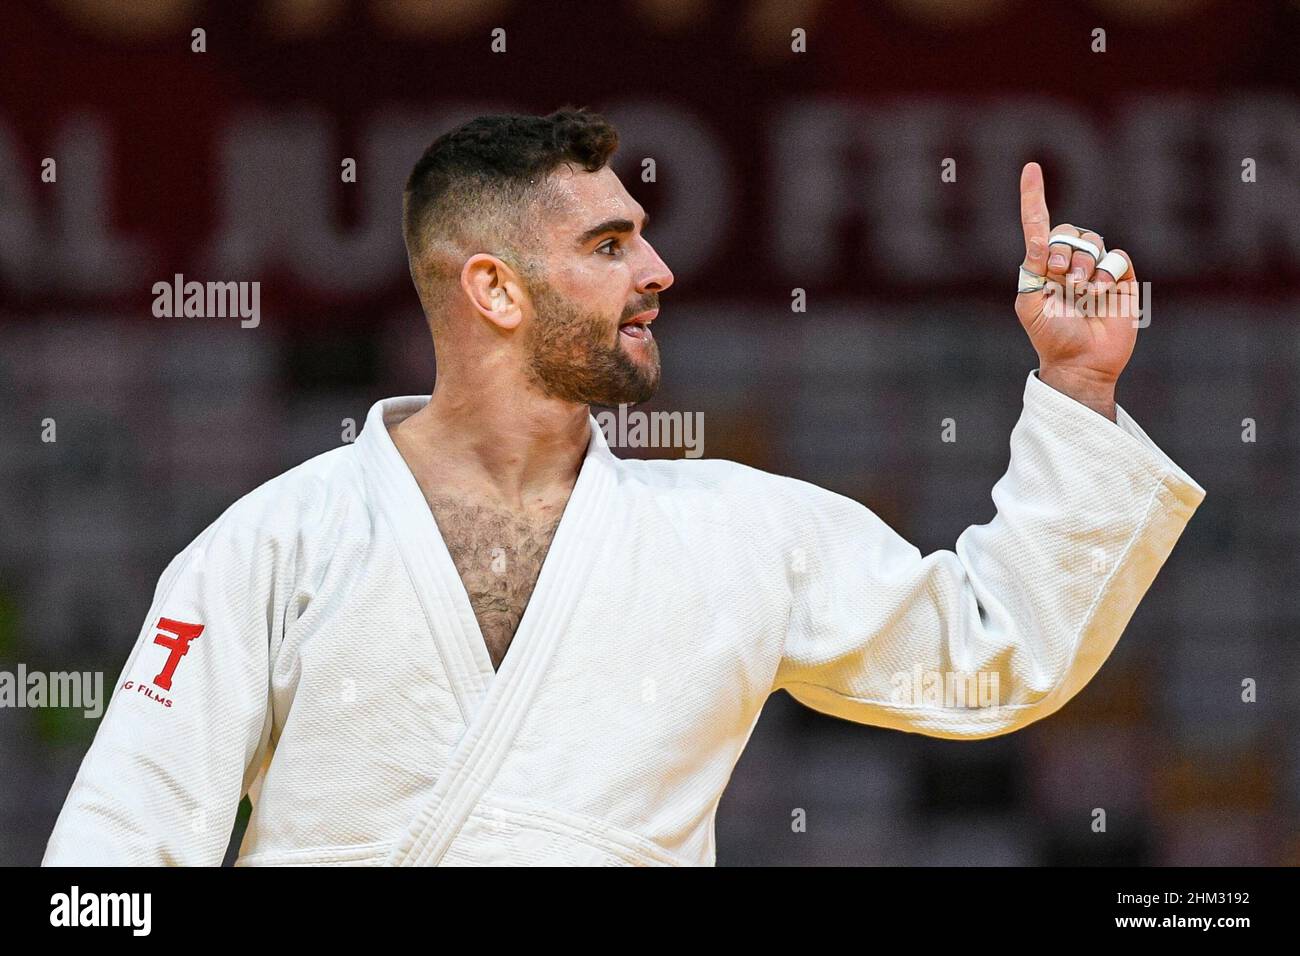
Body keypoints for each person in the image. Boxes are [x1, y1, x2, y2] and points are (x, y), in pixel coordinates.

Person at [44, 107, 1205, 866]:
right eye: (609, 244)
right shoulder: (270, 544)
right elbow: (117, 850)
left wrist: (1074, 385)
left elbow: (989, 653)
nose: (658, 269)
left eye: (642, 236)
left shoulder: (737, 531)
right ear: (495, 289)